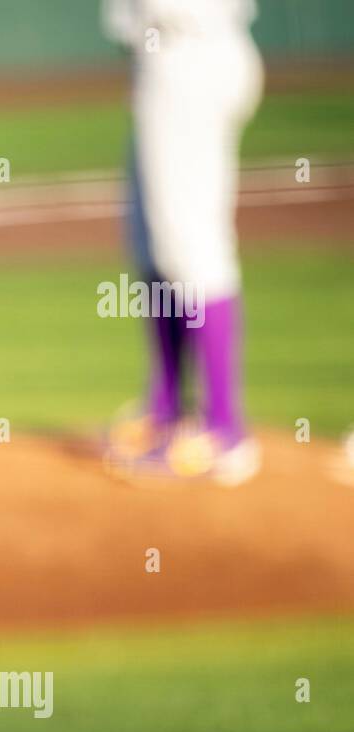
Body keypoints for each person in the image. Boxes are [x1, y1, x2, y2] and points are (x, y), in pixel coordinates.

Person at [102, 0, 265, 485]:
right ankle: (168, 410)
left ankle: (224, 431)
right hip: (160, 54)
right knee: (151, 237)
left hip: (191, 51)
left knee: (191, 243)